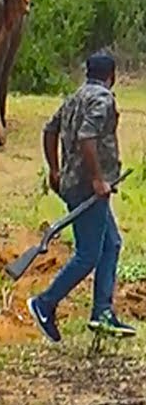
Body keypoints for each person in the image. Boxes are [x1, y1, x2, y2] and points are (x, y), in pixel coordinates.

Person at [27, 52, 135, 341]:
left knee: (111, 244)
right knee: (88, 253)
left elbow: (49, 129)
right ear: (112, 75)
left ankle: (102, 312)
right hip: (88, 187)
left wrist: (54, 170)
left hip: (73, 183)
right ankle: (45, 303)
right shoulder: (103, 99)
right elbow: (87, 136)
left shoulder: (75, 97)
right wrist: (99, 178)